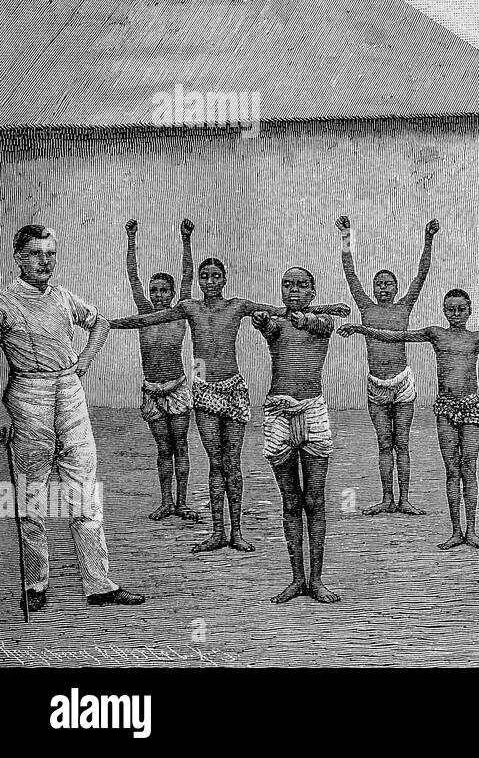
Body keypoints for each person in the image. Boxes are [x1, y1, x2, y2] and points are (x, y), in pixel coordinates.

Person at [111, 255, 348, 552]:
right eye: (204, 276)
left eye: (215, 276)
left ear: (224, 279)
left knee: (232, 464)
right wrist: (108, 323)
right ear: (199, 281)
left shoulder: (237, 306)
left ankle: (236, 532)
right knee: (216, 464)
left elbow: (282, 311)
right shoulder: (189, 307)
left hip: (233, 390)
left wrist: (327, 308)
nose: (210, 281)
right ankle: (217, 532)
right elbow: (145, 320)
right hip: (205, 390)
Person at [0, 224, 143, 609]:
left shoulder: (63, 297)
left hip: (69, 394)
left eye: (50, 254)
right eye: (35, 254)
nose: (44, 261)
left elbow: (100, 323)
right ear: (18, 258)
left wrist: (84, 360)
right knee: (30, 496)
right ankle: (35, 585)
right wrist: (1, 410)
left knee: (84, 489)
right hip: (27, 396)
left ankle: (99, 584)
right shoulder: (4, 302)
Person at [339, 290, 479, 550]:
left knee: (469, 469)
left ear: (469, 311)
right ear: (444, 311)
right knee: (452, 471)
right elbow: (396, 336)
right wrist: (361, 329)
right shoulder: (436, 334)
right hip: (445, 409)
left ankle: (472, 530)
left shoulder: (477, 337)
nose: (456, 314)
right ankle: (456, 531)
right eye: (451, 309)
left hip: (470, 408)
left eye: (461, 309)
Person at [334, 215, 437, 516]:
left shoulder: (404, 307)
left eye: (388, 284)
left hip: (402, 384)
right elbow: (350, 273)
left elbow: (422, 273)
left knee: (401, 443)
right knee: (384, 444)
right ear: (373, 288)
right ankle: (387, 498)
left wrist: (428, 238)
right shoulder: (366, 307)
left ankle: (404, 499)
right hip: (376, 386)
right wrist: (346, 235)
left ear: (396, 287)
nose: (383, 288)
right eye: (378, 284)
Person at [253, 268, 341, 603]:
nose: (293, 290)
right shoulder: (276, 324)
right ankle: (296, 579)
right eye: (287, 284)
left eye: (302, 285)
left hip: (313, 412)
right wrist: (263, 322)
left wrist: (304, 316)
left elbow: (314, 323)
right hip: (278, 413)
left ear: (313, 292)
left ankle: (316, 580)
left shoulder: (323, 322)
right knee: (290, 501)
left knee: (315, 500)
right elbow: (270, 328)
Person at [123, 218, 200, 522]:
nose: (158, 296)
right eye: (154, 291)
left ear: (172, 293)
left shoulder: (180, 312)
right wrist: (131, 239)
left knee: (180, 445)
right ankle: (166, 502)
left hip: (177, 387)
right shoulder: (144, 313)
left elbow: (188, 275)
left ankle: (182, 503)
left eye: (164, 291)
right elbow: (133, 276)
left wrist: (186, 239)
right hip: (152, 391)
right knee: (163, 448)